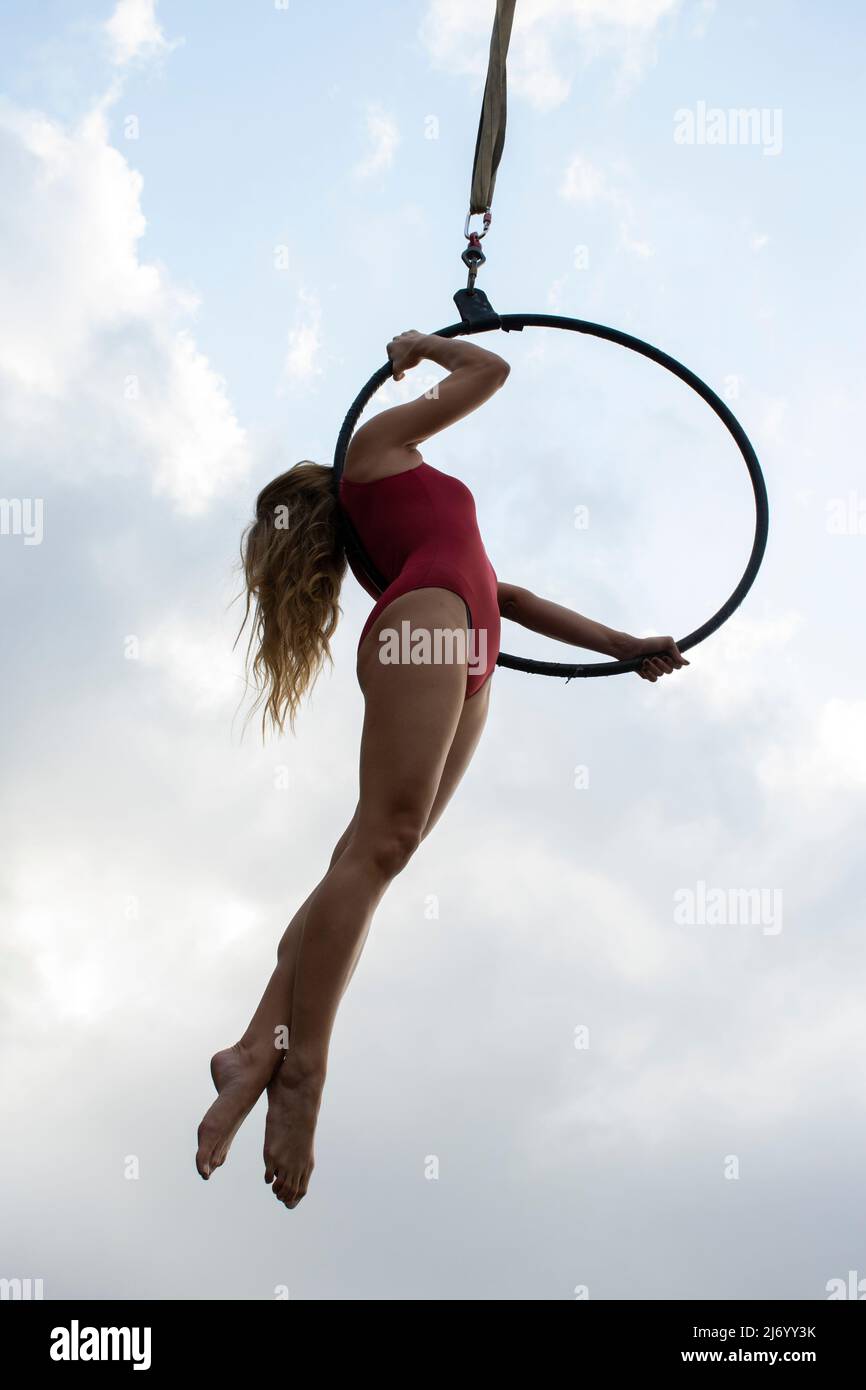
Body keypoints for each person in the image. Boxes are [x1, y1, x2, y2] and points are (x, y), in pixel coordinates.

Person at [195, 330, 688, 1207]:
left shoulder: (394, 523)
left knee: (379, 849)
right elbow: (490, 368)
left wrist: (621, 645)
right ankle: (303, 1067)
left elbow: (512, 596)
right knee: (380, 845)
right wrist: (420, 345)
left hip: (471, 635)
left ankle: (255, 1047)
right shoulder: (371, 453)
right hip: (433, 624)